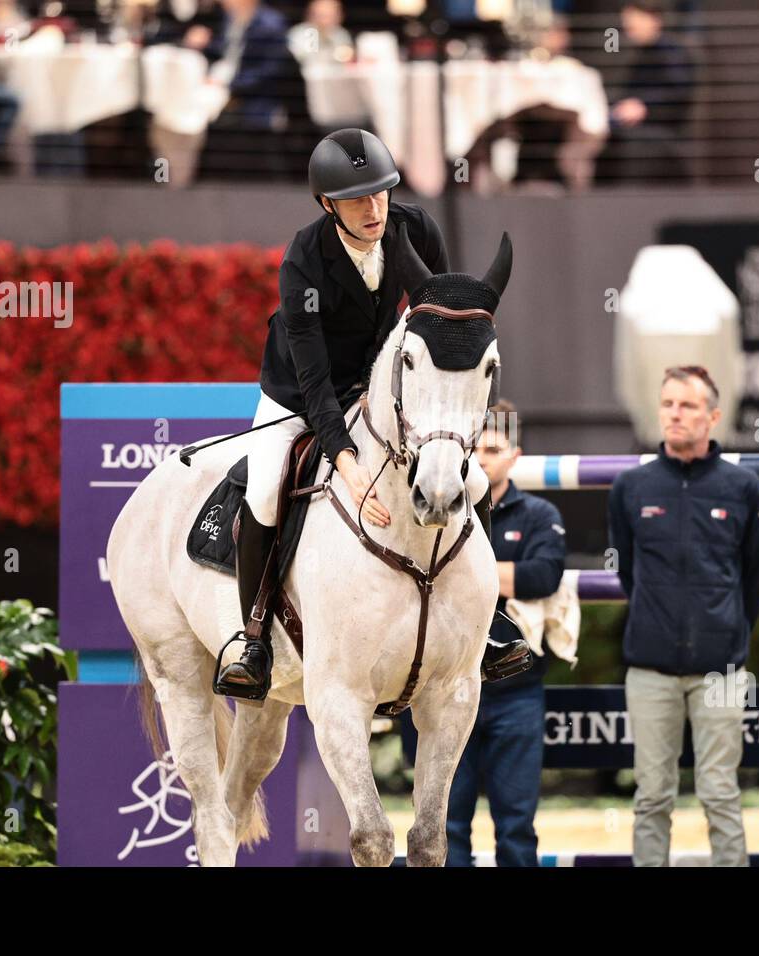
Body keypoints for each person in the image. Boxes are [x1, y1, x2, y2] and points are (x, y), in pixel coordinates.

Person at [214, 128, 532, 701]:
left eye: (381, 192)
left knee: (475, 480)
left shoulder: (417, 232)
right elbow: (314, 383)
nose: (373, 207)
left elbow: (439, 322)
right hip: (299, 396)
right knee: (264, 488)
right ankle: (254, 638)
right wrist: (345, 458)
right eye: (357, 198)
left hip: (382, 392)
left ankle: (489, 625)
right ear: (326, 204)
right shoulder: (303, 264)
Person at [608, 366, 759, 867]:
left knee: (721, 794)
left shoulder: (743, 487)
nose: (674, 415)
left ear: (713, 416)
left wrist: (725, 634)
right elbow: (628, 573)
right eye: (668, 405)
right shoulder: (630, 487)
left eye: (687, 406)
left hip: (721, 670)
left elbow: (756, 578)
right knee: (652, 797)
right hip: (650, 670)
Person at [411, 399, 567, 867]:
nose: (480, 457)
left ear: (516, 455)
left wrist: (462, 572)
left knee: (517, 827)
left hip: (515, 692)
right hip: (443, 689)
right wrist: (499, 576)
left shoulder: (538, 513)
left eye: (494, 448)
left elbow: (544, 576)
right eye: (475, 445)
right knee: (443, 826)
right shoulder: (431, 509)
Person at [196, 0, 296, 181]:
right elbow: (228, 51)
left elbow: (272, 69)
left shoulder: (271, 24)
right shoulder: (230, 18)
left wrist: (231, 85)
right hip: (224, 92)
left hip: (256, 99)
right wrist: (206, 43)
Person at [600, 0, 695, 184]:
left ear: (654, 20)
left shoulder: (672, 53)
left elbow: (678, 93)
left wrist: (644, 106)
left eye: (633, 23)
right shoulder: (641, 55)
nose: (629, 30)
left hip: (659, 132)